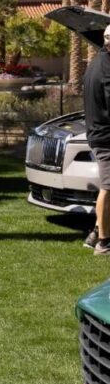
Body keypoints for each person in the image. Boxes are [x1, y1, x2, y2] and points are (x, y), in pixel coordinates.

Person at [83, 23, 110, 254]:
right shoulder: (107, 68)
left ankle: (94, 234)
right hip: (106, 138)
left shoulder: (95, 64)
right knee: (108, 188)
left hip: (97, 134)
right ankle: (103, 242)